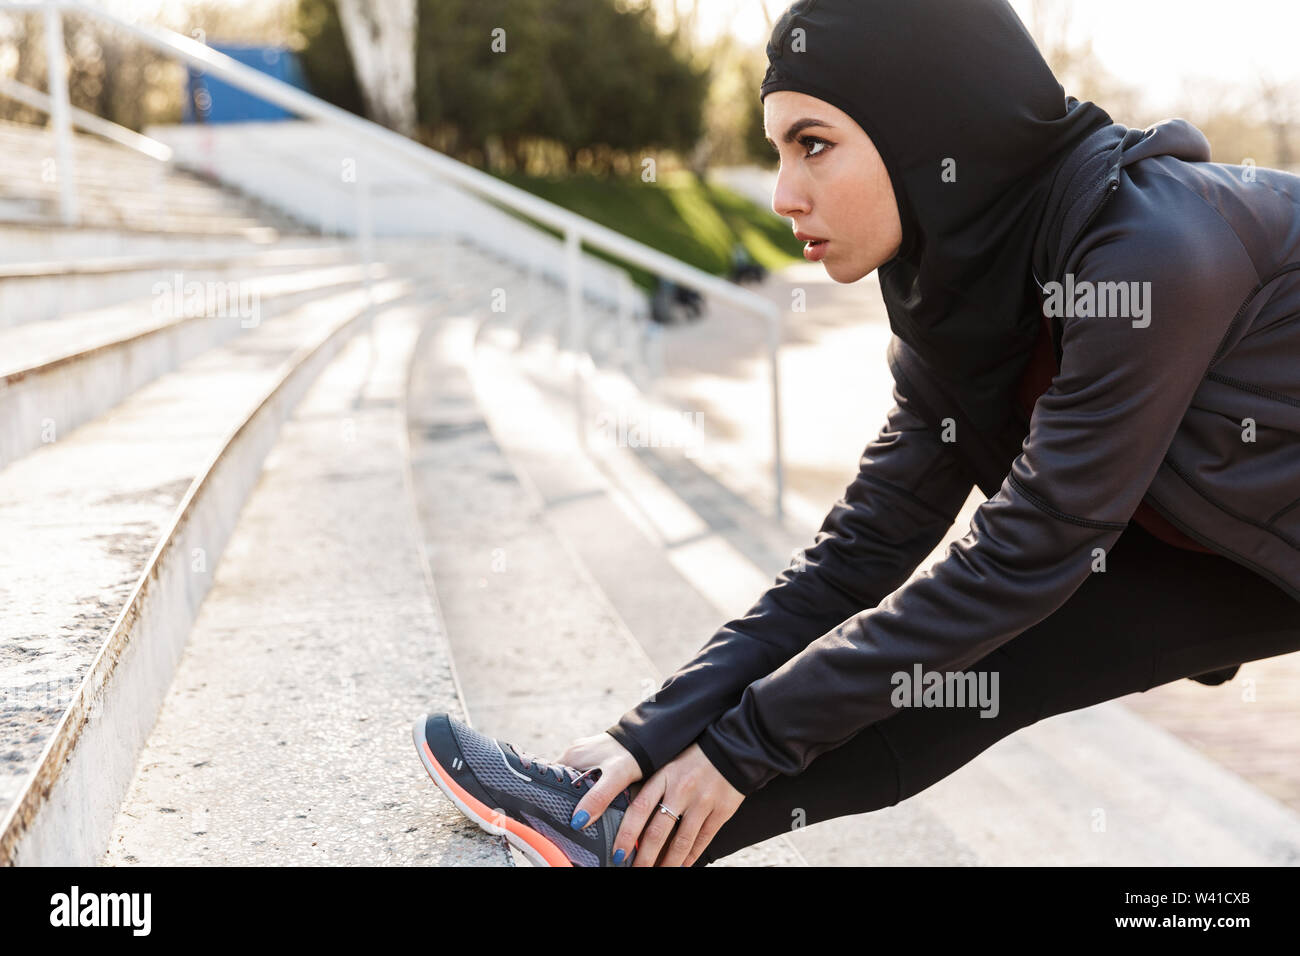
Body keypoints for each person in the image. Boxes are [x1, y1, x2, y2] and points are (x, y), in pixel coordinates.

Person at [413, 0, 1300, 867]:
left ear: (930, 130)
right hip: (1229, 557)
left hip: (1236, 543)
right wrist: (650, 732)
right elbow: (861, 550)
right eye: (777, 151)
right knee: (973, 674)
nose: (782, 194)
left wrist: (745, 742)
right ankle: (610, 834)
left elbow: (1026, 552)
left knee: (995, 620)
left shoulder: (1154, 252)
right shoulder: (954, 306)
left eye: (814, 144)